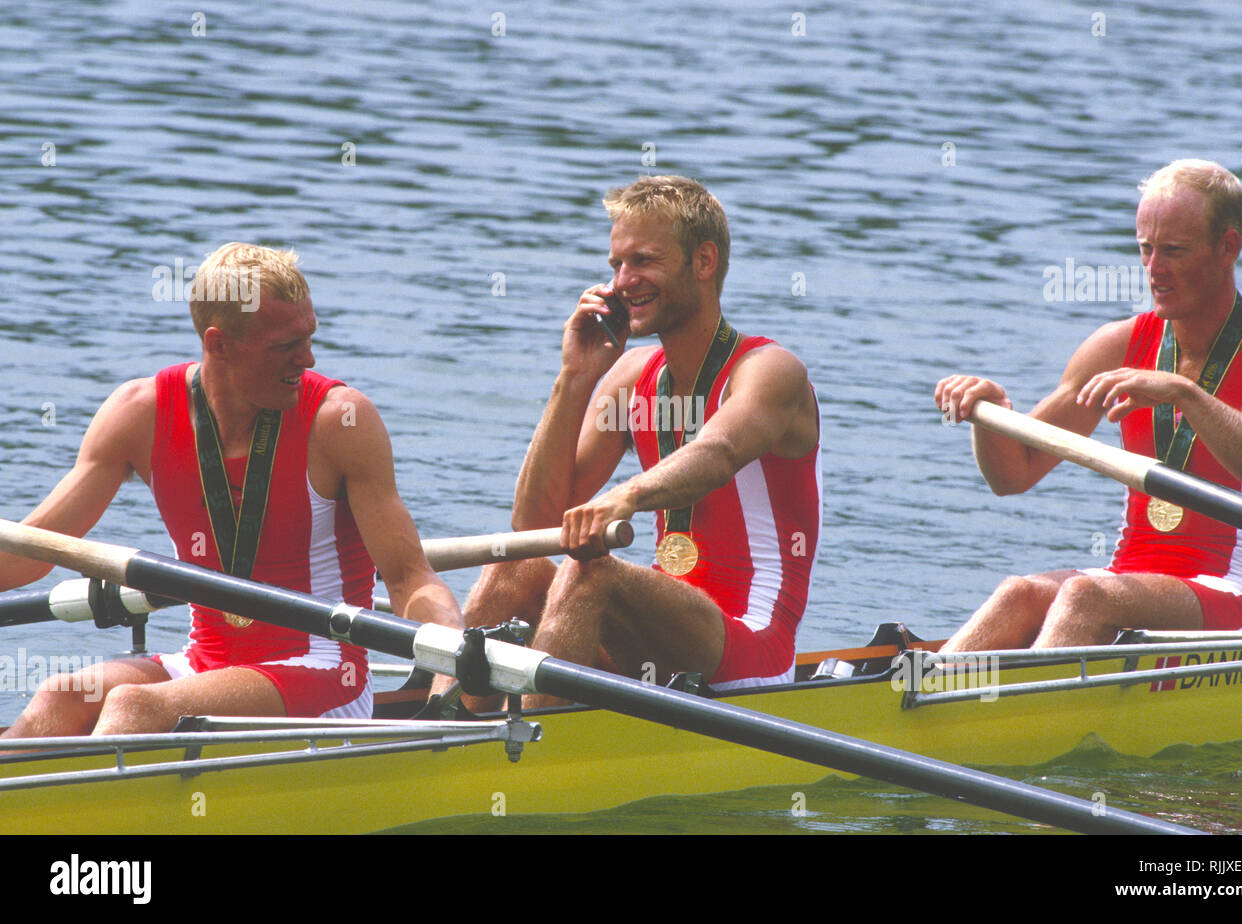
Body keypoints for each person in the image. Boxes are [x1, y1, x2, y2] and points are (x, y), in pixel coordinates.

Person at [0, 243, 462, 736]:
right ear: (219, 344)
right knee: (61, 696)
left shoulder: (339, 422)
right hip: (204, 661)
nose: (308, 358)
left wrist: (452, 661)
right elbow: (31, 551)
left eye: (309, 337)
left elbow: (409, 577)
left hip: (324, 672)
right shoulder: (139, 414)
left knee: (133, 707)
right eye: (286, 345)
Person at [463, 176, 821, 709]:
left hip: (749, 647)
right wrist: (575, 377)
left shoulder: (770, 371)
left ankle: (525, 763)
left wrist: (625, 497)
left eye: (643, 261)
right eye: (616, 265)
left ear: (703, 262)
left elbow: (717, 453)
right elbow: (535, 522)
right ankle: (451, 728)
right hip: (657, 637)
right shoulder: (632, 376)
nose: (624, 281)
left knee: (592, 574)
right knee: (511, 563)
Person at [935, 159, 1242, 651]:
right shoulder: (1116, 345)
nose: (1154, 270)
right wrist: (990, 412)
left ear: (1227, 247)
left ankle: (1016, 718)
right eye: (1145, 249)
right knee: (1018, 593)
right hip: (1127, 579)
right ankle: (924, 706)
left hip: (1230, 596)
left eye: (1173, 251)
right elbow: (1013, 475)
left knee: (1085, 596)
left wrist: (1186, 394)